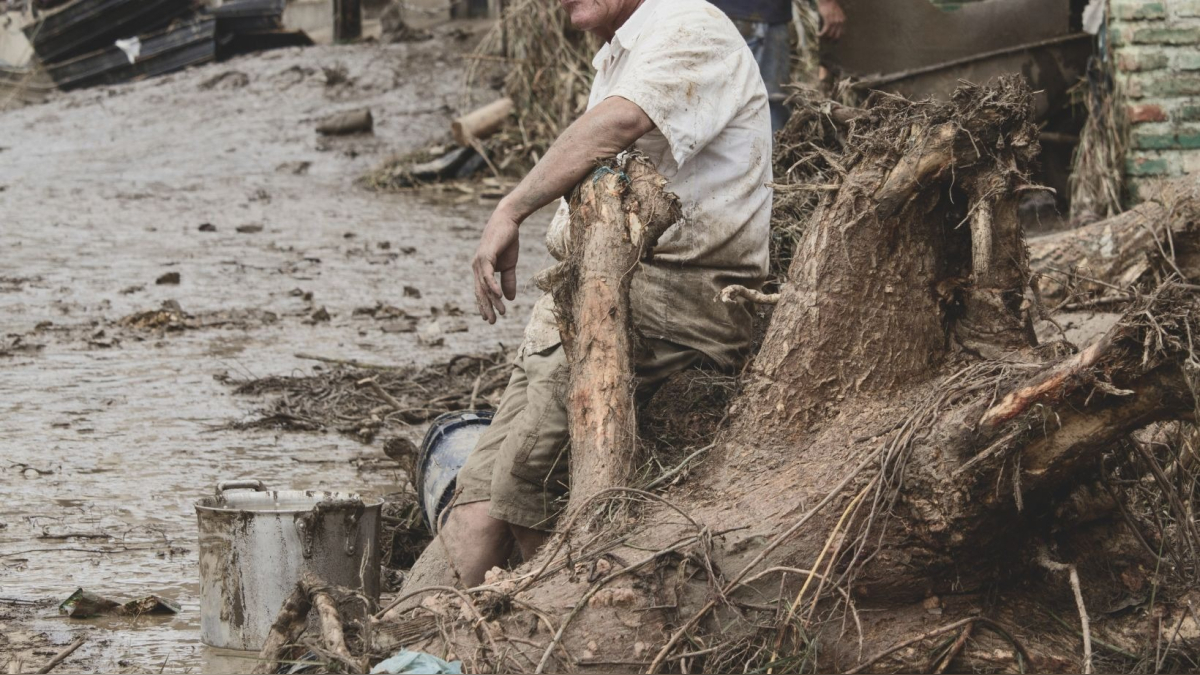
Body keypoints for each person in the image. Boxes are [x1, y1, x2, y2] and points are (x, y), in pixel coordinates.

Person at [423, 0, 773, 589]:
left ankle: (549, 620)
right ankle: (431, 631)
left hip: (667, 301)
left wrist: (510, 208)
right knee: (477, 500)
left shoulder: (690, 25)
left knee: (524, 484)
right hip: (580, 297)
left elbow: (620, 124)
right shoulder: (617, 50)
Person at [708, 0, 847, 130]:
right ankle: (768, 155)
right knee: (766, 108)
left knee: (715, 102)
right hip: (758, 15)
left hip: (710, 16)